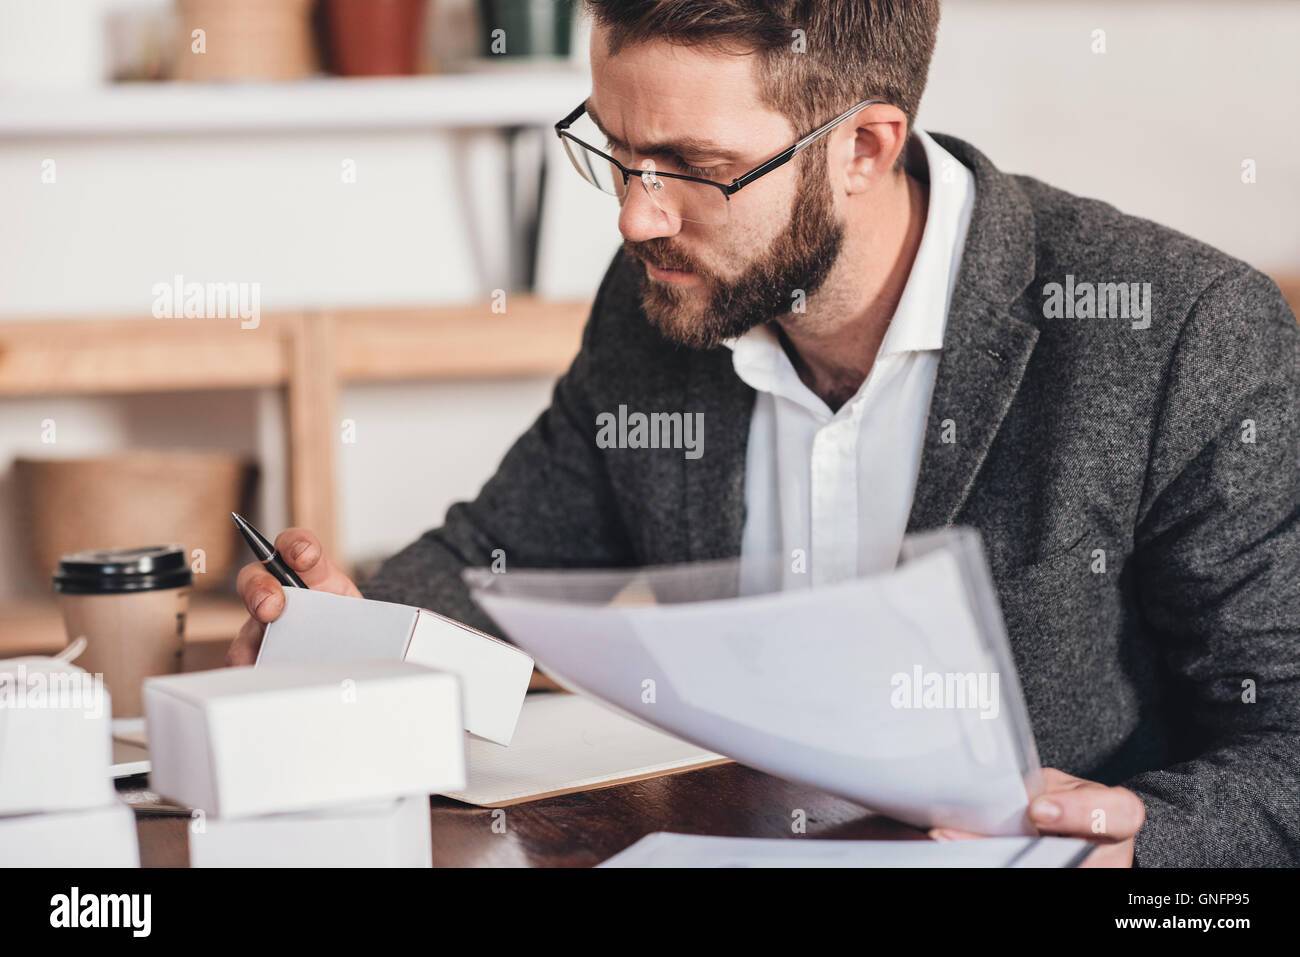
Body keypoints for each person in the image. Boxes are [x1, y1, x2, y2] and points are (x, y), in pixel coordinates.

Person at [229, 0, 1300, 867]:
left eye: (690, 167)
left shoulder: (1178, 336)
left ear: (864, 148)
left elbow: (1286, 744)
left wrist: (1139, 845)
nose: (635, 217)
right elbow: (497, 555)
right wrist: (353, 634)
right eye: (613, 150)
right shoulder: (664, 298)